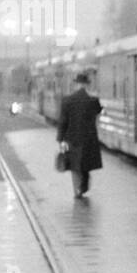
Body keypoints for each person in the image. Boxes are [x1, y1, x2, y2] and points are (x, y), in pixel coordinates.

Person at [56, 71, 103, 199]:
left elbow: (63, 122)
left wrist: (60, 139)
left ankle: (77, 189)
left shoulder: (67, 100)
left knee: (75, 165)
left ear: (76, 84)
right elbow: (99, 111)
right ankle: (84, 184)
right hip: (89, 138)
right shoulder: (93, 100)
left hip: (72, 138)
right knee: (86, 165)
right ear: (87, 84)